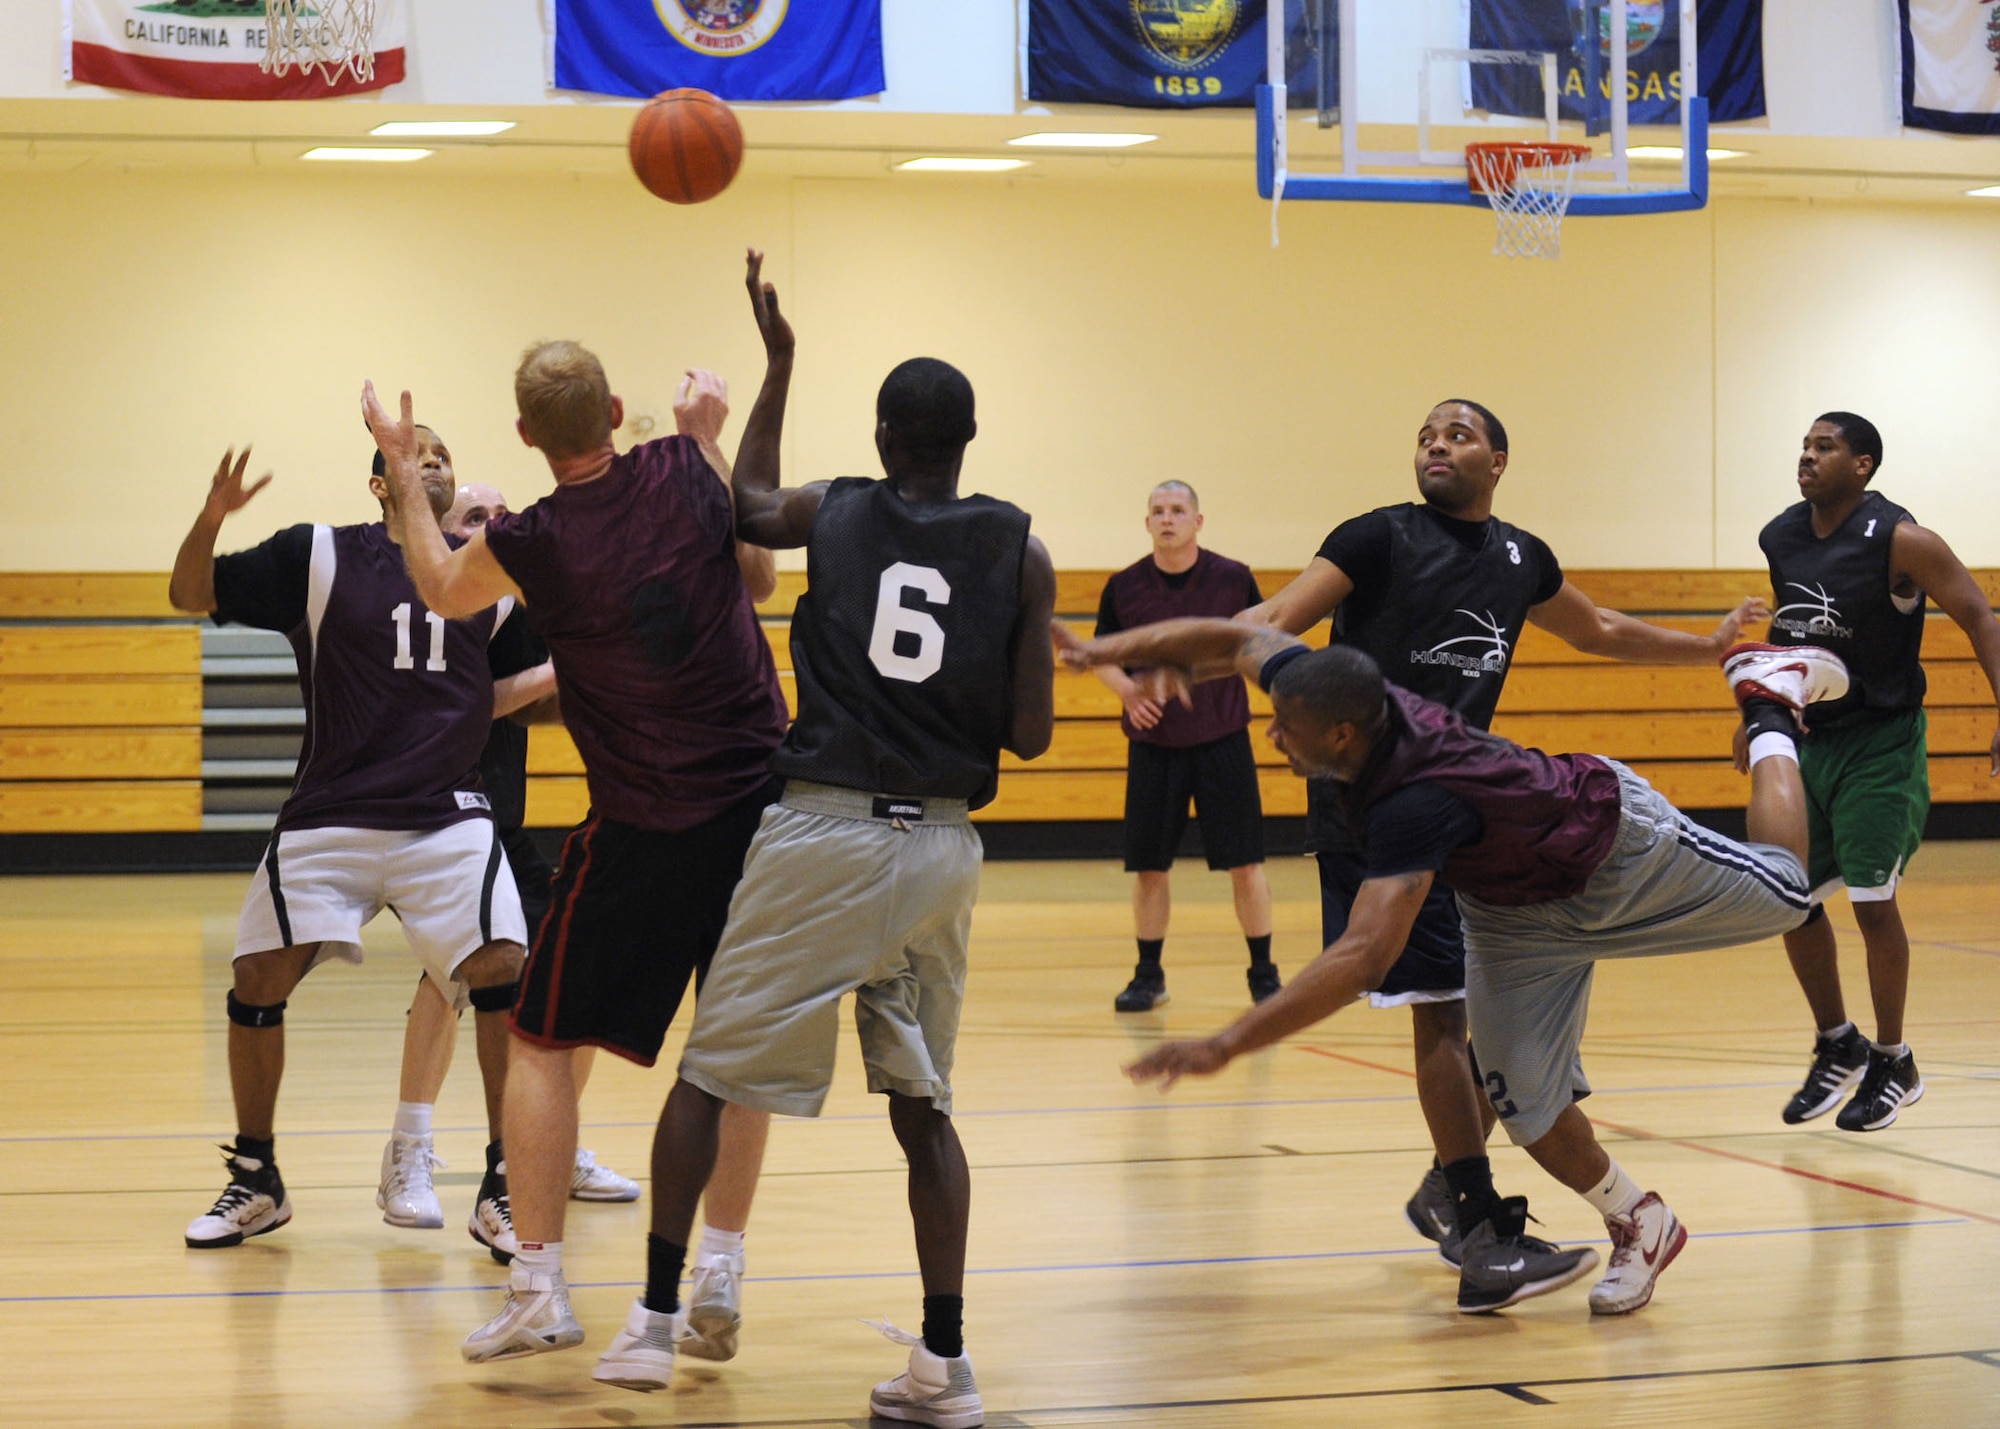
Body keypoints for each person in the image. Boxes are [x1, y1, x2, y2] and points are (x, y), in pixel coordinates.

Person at [1055, 614, 1845, 1316]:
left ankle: (1768, 702)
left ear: (1341, 736)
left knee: (1786, 892)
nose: (1273, 736)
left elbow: (1364, 956)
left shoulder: (1413, 799)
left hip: (1607, 851)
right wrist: (1102, 651)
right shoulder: (1331, 689)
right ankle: (1642, 1220)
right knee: (1522, 1101)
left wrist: (1225, 1043)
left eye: (1286, 726)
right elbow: (1233, 638)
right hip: (1511, 912)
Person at [587, 254, 1055, 1428]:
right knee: (923, 1108)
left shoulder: (838, 510)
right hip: (941, 848)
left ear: (884, 435)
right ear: (968, 439)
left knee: (708, 1073)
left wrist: (778, 363)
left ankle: (653, 1319)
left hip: (825, 828)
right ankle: (943, 1364)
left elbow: (742, 504)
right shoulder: (1021, 548)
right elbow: (1032, 736)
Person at [1239, 399, 1764, 1265]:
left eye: (1457, 434)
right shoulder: (1376, 537)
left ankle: (1457, 1181)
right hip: (1380, 813)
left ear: (1498, 460)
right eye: (1425, 435)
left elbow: (1600, 628)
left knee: (1505, 994)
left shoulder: (1521, 557)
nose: (1436, 445)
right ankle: (1477, 1223)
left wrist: (1705, 649)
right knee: (1442, 1016)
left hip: (1472, 814)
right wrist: (1188, 654)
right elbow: (1276, 618)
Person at [365, 337, 787, 1367]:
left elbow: (437, 585)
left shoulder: (533, 538)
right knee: (734, 1049)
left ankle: (539, 1289)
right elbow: (761, 579)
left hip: (641, 823)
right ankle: (719, 1268)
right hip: (759, 809)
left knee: (543, 1042)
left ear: (524, 436)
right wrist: (710, 438)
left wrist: (402, 469)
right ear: (612, 410)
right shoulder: (682, 467)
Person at [167, 432, 529, 1252]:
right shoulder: (317, 555)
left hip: (446, 814)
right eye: (411, 452)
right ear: (378, 483)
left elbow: (517, 687)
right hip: (332, 809)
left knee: (503, 960)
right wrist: (213, 515)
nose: (430, 460)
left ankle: (505, 1183)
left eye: (440, 452)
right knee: (256, 975)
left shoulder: (493, 573)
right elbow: (189, 592)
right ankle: (257, 1175)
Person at [379, 481, 641, 1250]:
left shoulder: (512, 603)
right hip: (436, 817)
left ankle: (555, 1143)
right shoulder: (429, 605)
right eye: (473, 517)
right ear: (439, 535)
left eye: (500, 517)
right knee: (451, 977)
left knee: (575, 966)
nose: (492, 527)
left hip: (504, 820)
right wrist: (568, 667)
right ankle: (408, 1149)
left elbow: (534, 701)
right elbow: (474, 699)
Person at [1759, 412, 2000, 1131]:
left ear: (1862, 464)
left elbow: (1980, 615)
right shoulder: (1781, 535)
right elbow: (1790, 631)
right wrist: (1763, 712)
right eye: (1804, 445)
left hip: (1881, 744)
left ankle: (1894, 1058)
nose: (1807, 455)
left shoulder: (1903, 539)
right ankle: (1839, 1041)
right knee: (1786, 896)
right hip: (1812, 740)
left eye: (1824, 446)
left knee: (1871, 899)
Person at [1095, 481, 1277, 1011]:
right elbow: (1102, 653)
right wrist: (1128, 692)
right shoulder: (1124, 586)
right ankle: (1148, 976)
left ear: (1198, 521)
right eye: (1158, 511)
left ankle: (1264, 975)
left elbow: (1264, 643)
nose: (1167, 518)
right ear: (1146, 523)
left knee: (1246, 863)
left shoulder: (1233, 578)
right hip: (1154, 744)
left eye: (1178, 510)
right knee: (1150, 867)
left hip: (1223, 738)